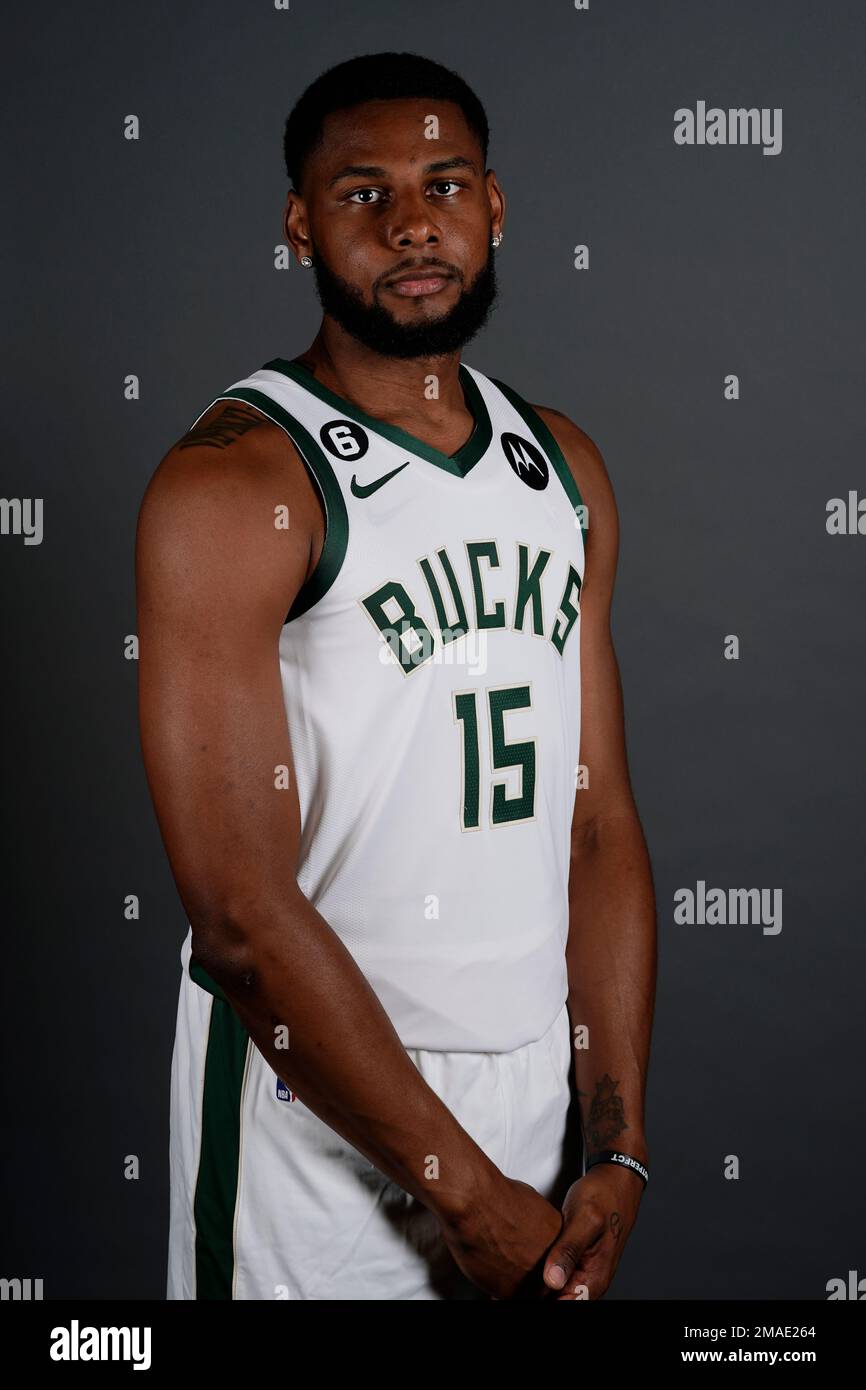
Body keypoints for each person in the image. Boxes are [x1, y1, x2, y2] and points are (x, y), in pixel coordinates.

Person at [136, 50, 657, 1301]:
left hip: (534, 1095)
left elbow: (597, 824)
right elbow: (243, 921)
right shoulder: (235, 482)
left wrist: (618, 1144)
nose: (412, 221)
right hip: (313, 1116)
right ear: (297, 224)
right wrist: (463, 1197)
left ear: (494, 206)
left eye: (444, 182)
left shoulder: (563, 467)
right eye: (362, 192)